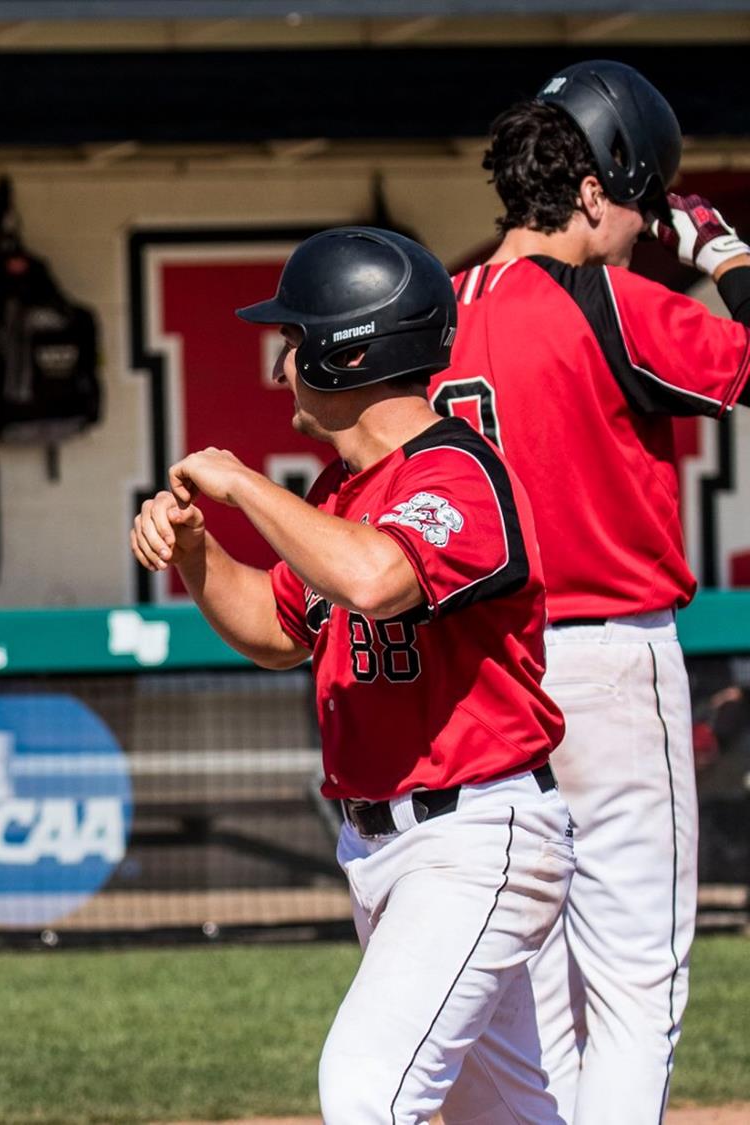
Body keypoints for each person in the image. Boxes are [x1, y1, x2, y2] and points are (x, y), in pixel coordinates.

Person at [133, 227, 575, 1122]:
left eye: (295, 342)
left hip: (474, 834)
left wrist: (248, 488)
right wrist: (196, 551)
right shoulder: (344, 492)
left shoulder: (458, 471)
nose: (280, 367)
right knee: (507, 1114)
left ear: (350, 352)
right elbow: (276, 631)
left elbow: (378, 579)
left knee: (367, 1087)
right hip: (384, 845)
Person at [428, 59, 750, 1120]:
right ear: (593, 186)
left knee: (531, 992)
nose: (639, 226)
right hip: (612, 661)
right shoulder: (609, 300)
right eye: (638, 202)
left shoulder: (434, 306)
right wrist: (725, 256)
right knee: (631, 979)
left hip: (483, 673)